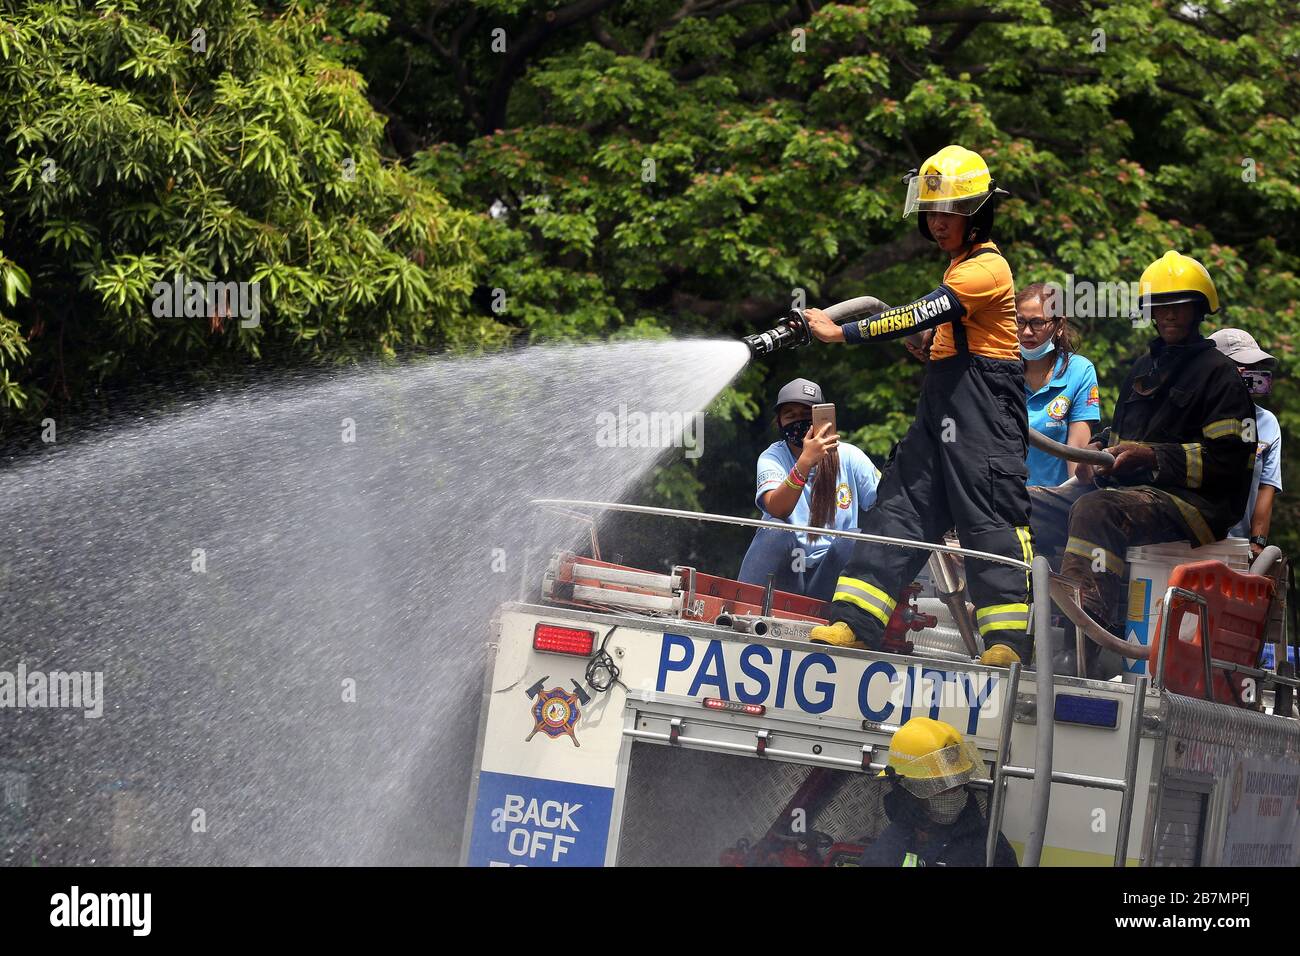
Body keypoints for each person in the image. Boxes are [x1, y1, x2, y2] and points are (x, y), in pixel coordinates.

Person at [801, 144, 1033, 665]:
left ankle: (1007, 645)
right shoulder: (959, 268)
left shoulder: (987, 268)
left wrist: (840, 332)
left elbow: (922, 311)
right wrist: (934, 345)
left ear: (976, 213)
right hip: (943, 413)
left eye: (949, 211)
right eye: (931, 212)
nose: (938, 223)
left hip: (985, 420)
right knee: (898, 511)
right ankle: (853, 622)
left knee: (990, 519)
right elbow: (940, 325)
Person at [1030, 251, 1255, 636]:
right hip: (1130, 493)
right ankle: (1029, 614)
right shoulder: (1143, 368)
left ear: (1200, 310)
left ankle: (1088, 628)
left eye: (1178, 306)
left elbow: (1230, 461)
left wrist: (1151, 457)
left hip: (1194, 507)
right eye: (1159, 305)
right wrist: (1094, 455)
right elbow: (1119, 437)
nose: (1167, 314)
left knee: (1096, 509)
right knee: (1023, 501)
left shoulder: (1219, 376)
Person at [737, 378, 881, 602]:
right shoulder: (773, 457)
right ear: (779, 423)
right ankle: (739, 608)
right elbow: (778, 509)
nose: (799, 421)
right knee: (775, 529)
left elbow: (885, 503)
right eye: (790, 415)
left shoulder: (849, 456)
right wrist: (805, 462)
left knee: (854, 538)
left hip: (829, 578)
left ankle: (851, 620)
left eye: (806, 415)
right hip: (787, 576)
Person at [860, 717, 1017, 867]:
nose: (952, 792)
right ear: (908, 789)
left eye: (957, 781)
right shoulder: (886, 853)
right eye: (939, 784)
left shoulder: (990, 845)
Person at [1017, 283, 1101, 487]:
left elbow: (1076, 455)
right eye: (1020, 322)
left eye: (1037, 323)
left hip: (1054, 502)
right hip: (1005, 502)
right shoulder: (999, 371)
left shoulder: (1080, 372)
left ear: (1059, 326)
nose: (1027, 332)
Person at [1210, 328, 1282, 559]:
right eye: (1239, 366)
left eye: (1252, 368)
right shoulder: (1190, 413)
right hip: (1186, 543)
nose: (1247, 374)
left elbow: (1266, 487)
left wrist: (1257, 544)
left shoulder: (1267, 423)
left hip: (1238, 549)